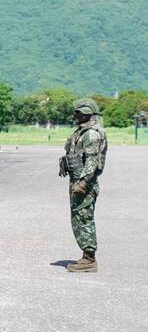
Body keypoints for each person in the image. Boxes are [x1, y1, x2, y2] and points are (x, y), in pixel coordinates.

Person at [59, 98, 108, 273]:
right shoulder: (81, 132)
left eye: (79, 112)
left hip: (84, 183)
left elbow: (92, 161)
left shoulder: (91, 134)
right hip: (78, 180)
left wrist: (83, 182)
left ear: (88, 113)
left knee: (83, 219)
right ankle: (87, 256)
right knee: (79, 218)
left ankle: (89, 259)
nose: (76, 115)